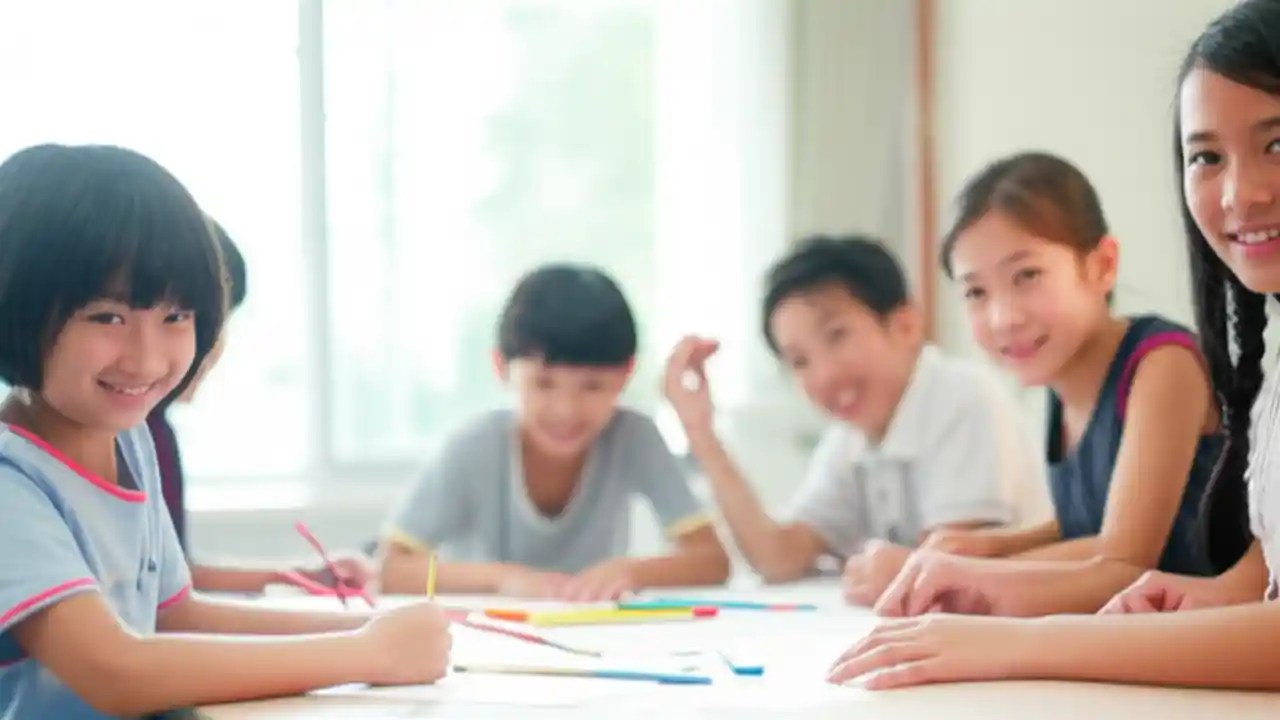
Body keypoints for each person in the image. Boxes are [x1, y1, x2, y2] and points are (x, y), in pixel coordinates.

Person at [828, 0, 1280, 690]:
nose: (1239, 191)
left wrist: (1000, 623)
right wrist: (986, 556)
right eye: (1206, 157)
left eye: (1275, 144)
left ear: (1102, 266)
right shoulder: (1268, 371)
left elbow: (1121, 559)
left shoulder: (1160, 363)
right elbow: (1263, 566)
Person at [0, 143, 450, 719]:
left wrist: (370, 626)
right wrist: (366, 653)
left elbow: (174, 613)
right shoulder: (13, 479)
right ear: (17, 306)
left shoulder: (129, 439)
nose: (146, 358)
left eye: (175, 318)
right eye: (107, 317)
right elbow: (113, 671)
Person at [663, 235, 1040, 598]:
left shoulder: (963, 399)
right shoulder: (850, 440)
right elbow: (777, 558)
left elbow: (949, 571)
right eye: (799, 361)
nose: (823, 375)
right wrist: (701, 433)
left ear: (905, 326)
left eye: (837, 336)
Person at [379, 264, 729, 601]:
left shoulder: (634, 436)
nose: (567, 410)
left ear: (627, 375)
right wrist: (504, 579)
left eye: (593, 386)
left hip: (593, 635)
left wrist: (632, 571)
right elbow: (392, 568)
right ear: (501, 367)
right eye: (543, 384)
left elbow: (712, 559)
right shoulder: (473, 446)